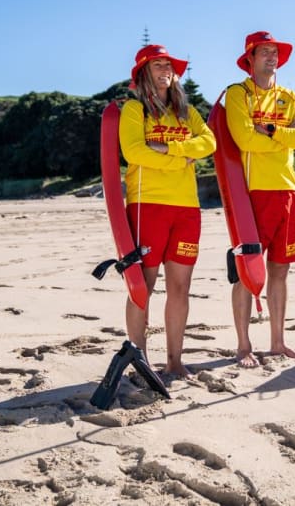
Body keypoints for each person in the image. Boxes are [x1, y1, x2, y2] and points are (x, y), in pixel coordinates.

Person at [119, 44, 216, 378]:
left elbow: (209, 142)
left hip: (187, 208)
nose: (165, 70)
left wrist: (167, 147)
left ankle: (174, 361)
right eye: (157, 65)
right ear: (144, 73)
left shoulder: (186, 112)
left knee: (180, 288)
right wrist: (181, 158)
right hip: (148, 205)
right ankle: (140, 360)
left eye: (169, 65)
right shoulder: (135, 110)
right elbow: (134, 152)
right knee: (142, 287)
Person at [225, 31, 295, 367]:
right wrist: (285, 137)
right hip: (252, 193)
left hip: (288, 190)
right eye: (264, 51)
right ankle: (243, 346)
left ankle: (278, 342)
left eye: (275, 51)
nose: (272, 56)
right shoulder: (239, 94)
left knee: (280, 270)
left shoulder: (289, 97)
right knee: (247, 272)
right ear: (250, 58)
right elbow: (245, 139)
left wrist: (273, 131)